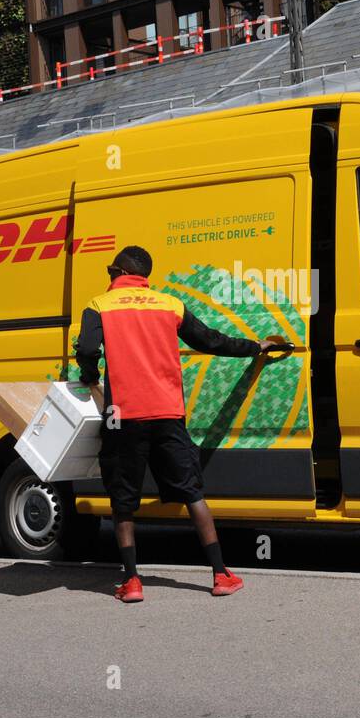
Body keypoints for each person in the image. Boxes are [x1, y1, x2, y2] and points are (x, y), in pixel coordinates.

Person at [75, 245, 285, 603]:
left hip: (123, 415)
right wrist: (255, 347)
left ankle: (132, 582)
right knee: (192, 493)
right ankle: (221, 574)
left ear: (116, 272)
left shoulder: (99, 305)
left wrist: (90, 376)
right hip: (167, 413)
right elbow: (210, 340)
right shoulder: (169, 304)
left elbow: (88, 349)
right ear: (144, 276)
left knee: (123, 501)